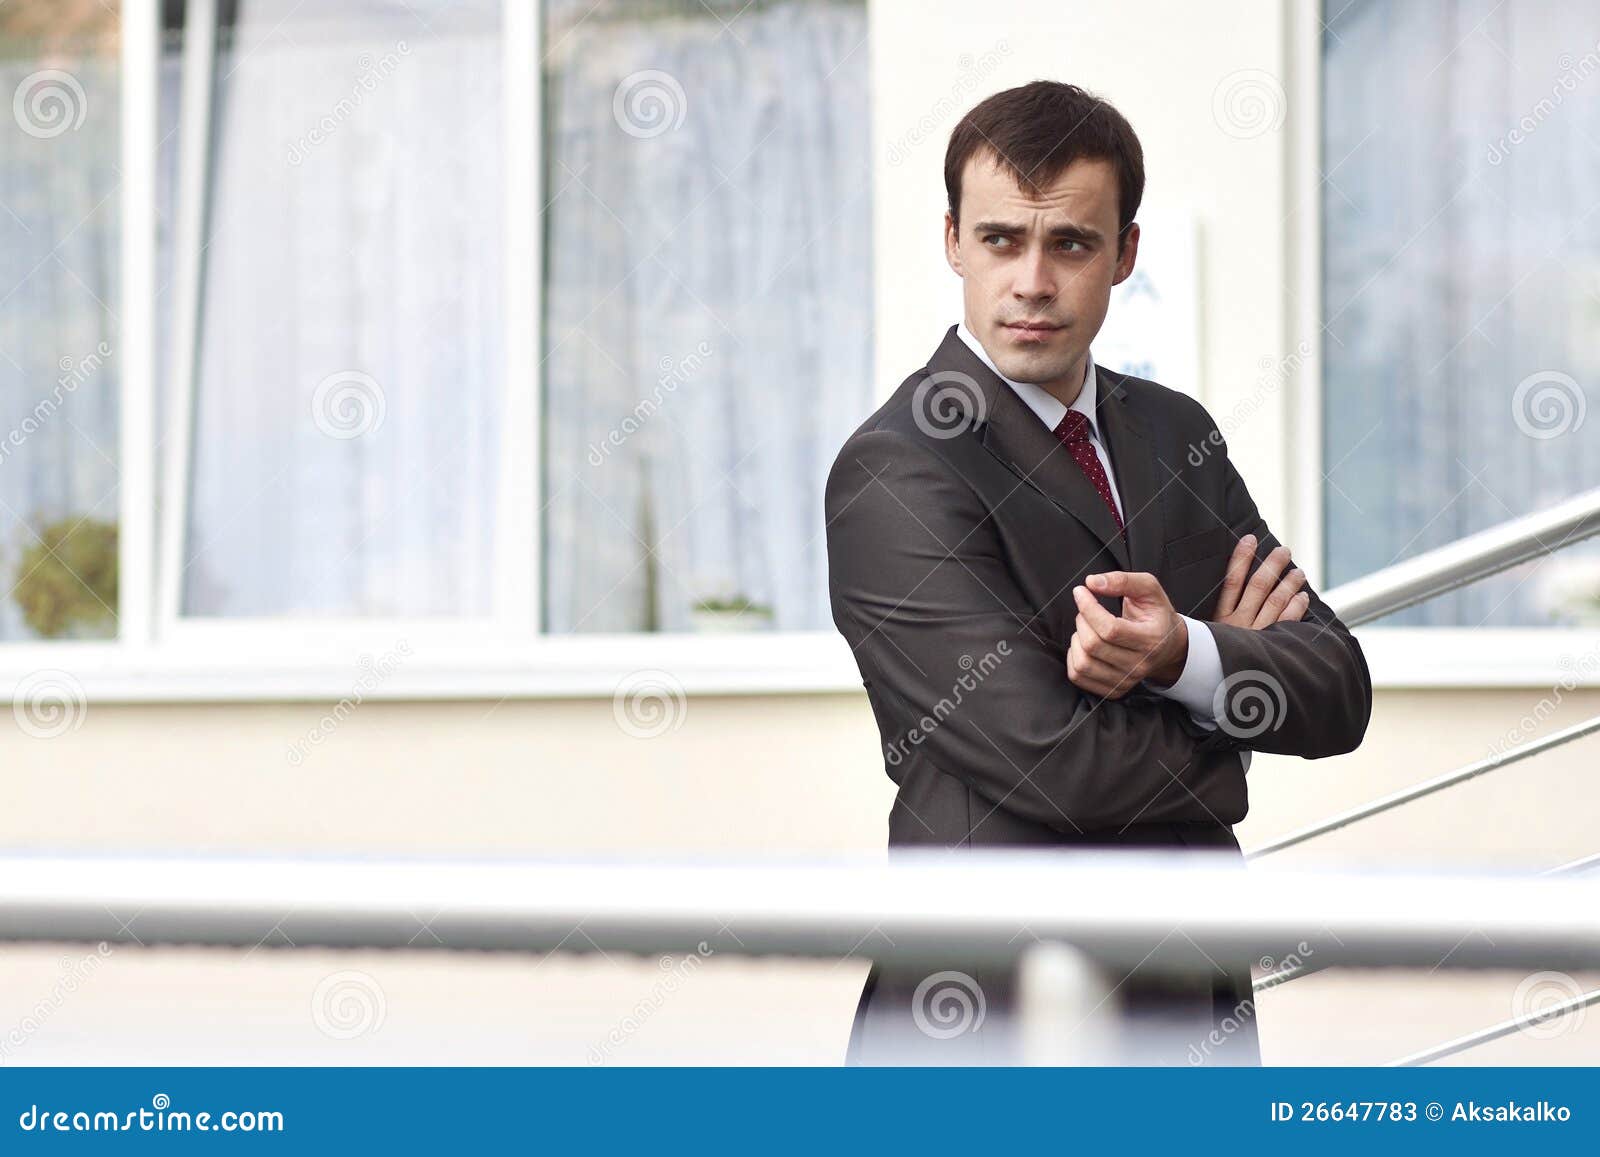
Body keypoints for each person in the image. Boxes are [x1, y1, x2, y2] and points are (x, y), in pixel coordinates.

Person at [824, 80, 1372, 1065]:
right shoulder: (898, 468)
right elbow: (1056, 767)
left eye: (1070, 243)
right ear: (952, 241)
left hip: (1192, 1002)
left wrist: (1183, 654)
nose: (1031, 280)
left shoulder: (1174, 432)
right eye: (1000, 240)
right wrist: (1227, 705)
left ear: (1123, 254)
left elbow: (1336, 692)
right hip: (991, 1021)